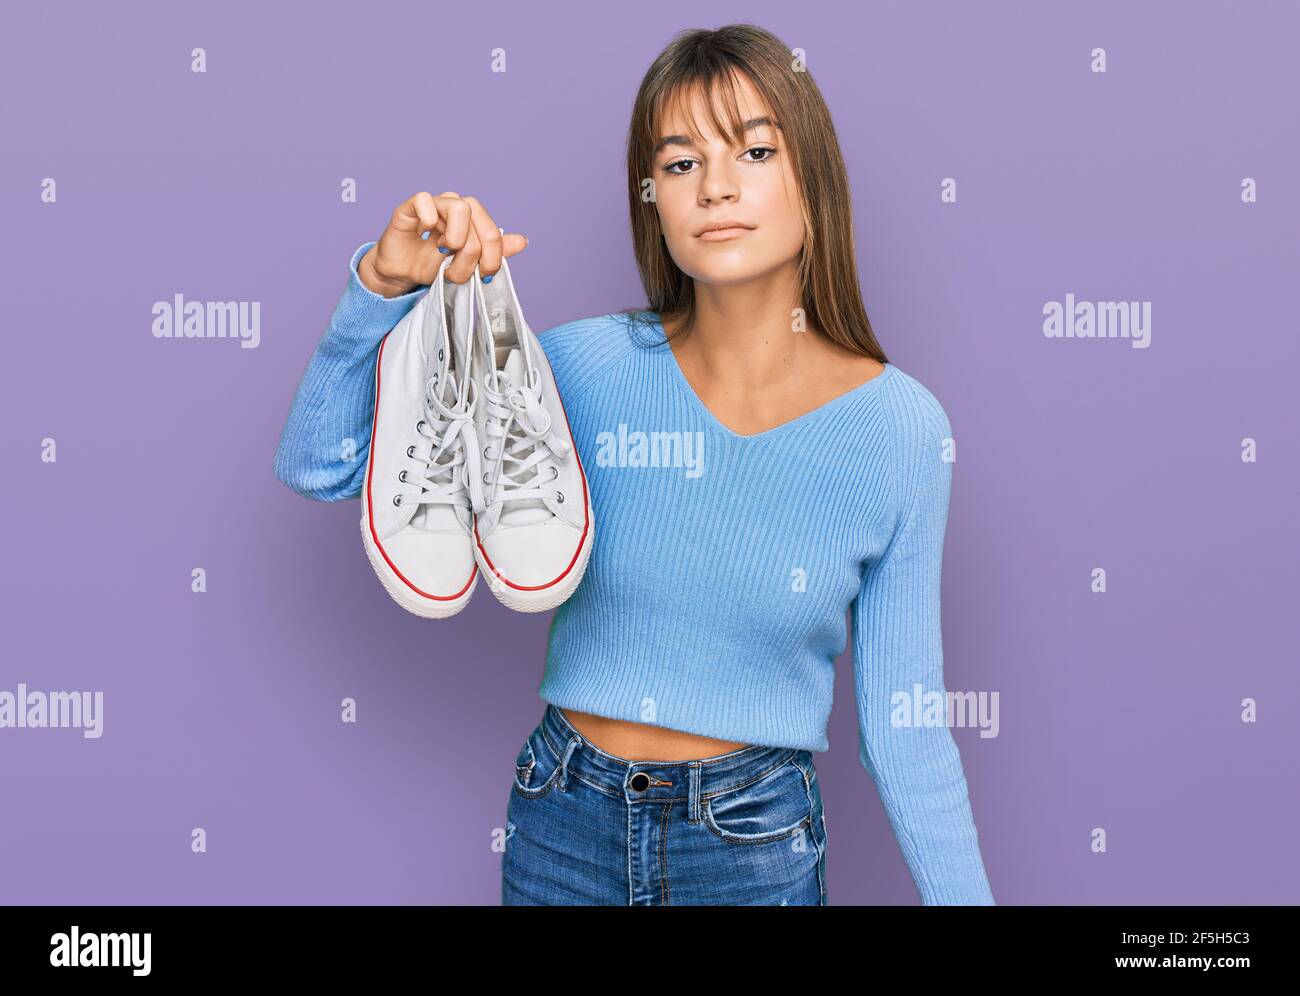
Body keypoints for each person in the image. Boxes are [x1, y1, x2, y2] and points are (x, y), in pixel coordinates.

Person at [274, 23, 995, 906]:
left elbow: (907, 729)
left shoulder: (901, 432)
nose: (716, 187)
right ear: (652, 196)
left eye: (755, 150)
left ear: (815, 179)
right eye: (681, 163)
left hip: (750, 846)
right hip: (561, 821)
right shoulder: (578, 370)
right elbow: (321, 464)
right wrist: (382, 288)